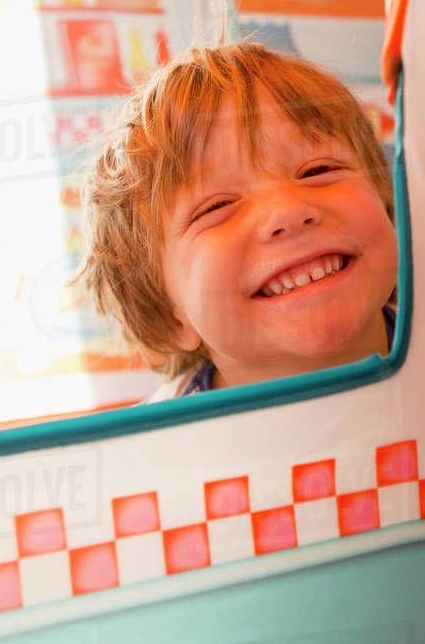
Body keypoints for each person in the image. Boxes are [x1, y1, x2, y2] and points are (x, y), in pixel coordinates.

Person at [73, 41, 398, 402]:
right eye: (217, 206)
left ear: (384, 202)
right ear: (169, 316)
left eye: (318, 170)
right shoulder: (163, 449)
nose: (287, 210)